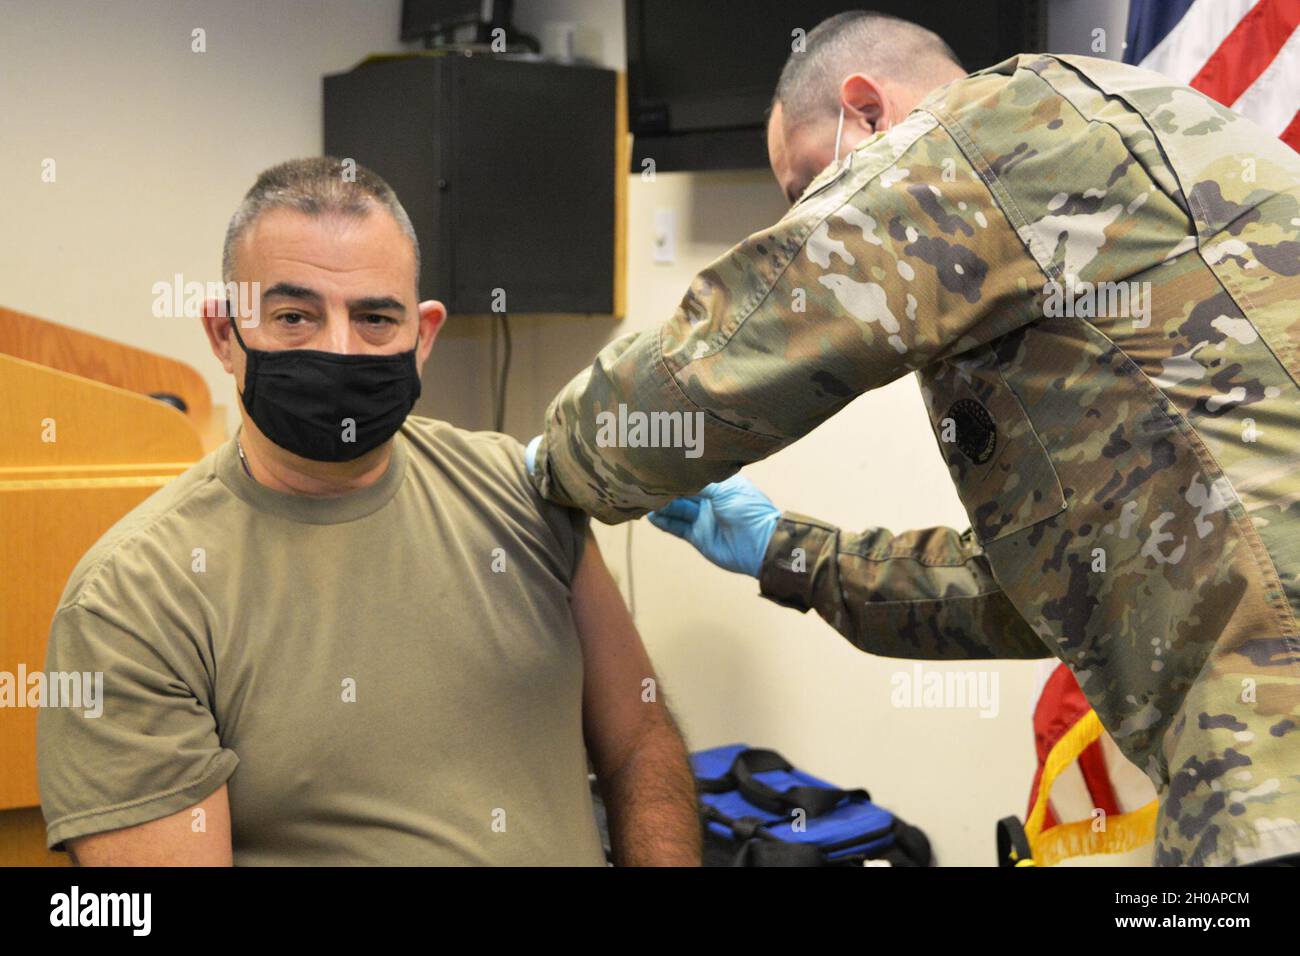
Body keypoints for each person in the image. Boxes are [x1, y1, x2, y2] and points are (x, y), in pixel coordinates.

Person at [526, 12, 1300, 866]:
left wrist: (545, 464)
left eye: (807, 188)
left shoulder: (986, 136)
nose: (811, 217)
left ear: (865, 111)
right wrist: (787, 552)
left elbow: (719, 358)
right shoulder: (1109, 144)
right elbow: (1049, 592)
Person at [37, 157, 700, 866]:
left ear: (423, 336)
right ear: (223, 334)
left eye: (375, 318)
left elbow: (640, 741)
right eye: (294, 316)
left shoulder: (522, 494)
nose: (338, 349)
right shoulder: (131, 599)